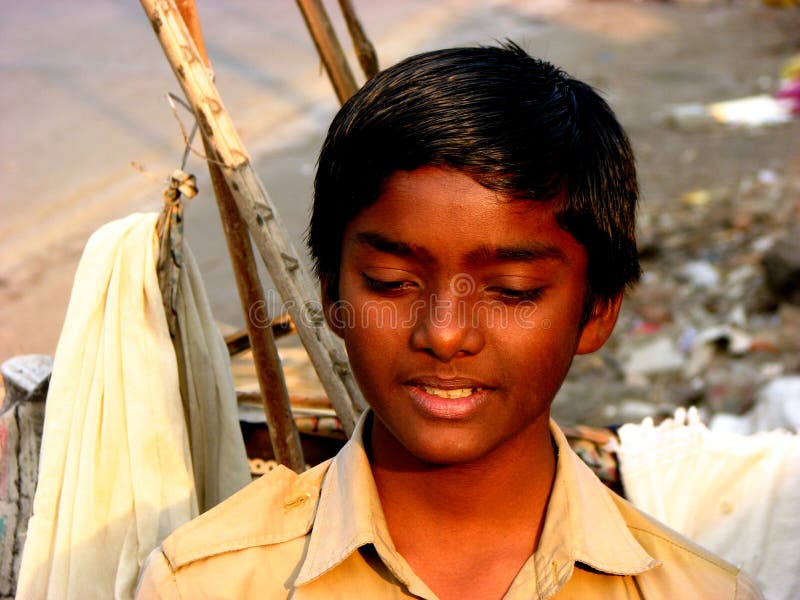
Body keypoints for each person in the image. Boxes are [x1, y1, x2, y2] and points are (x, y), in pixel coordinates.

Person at [136, 43, 763, 599]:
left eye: (512, 290)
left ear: (596, 310)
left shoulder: (698, 592)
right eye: (391, 283)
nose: (443, 333)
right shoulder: (205, 582)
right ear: (331, 292)